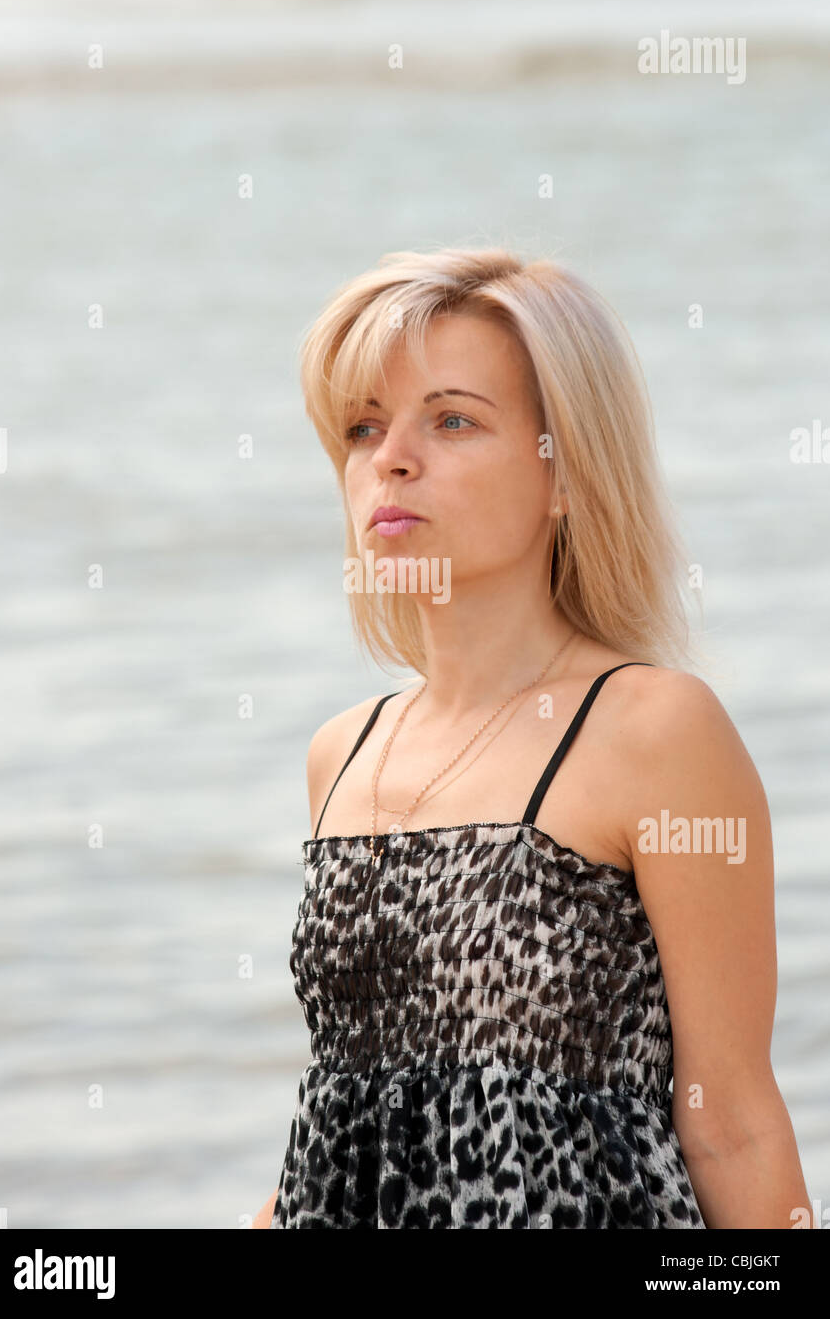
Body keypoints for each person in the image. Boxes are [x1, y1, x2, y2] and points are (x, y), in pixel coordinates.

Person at [254, 247, 809, 1229]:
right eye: (362, 427)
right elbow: (343, 1123)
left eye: (453, 419)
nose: (392, 457)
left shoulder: (653, 729)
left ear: (564, 474)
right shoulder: (341, 753)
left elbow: (729, 1125)